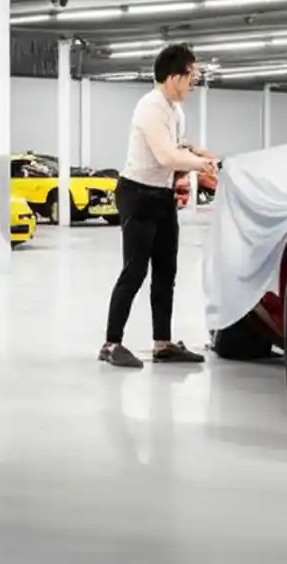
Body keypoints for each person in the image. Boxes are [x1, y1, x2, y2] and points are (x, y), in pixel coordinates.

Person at [99, 44, 219, 368]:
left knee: (166, 271)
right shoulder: (150, 108)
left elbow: (173, 152)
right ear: (173, 76)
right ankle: (111, 344)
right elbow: (166, 156)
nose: (193, 82)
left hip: (162, 195)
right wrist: (200, 164)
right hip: (137, 194)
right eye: (190, 75)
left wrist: (198, 154)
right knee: (135, 270)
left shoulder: (175, 111)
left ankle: (162, 343)